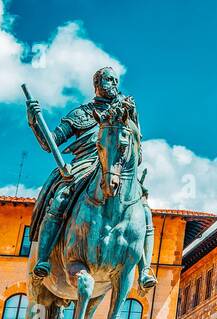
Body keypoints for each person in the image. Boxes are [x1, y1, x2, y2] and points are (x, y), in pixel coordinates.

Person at [27, 67, 155, 288]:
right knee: (60, 197)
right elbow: (51, 143)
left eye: (116, 80)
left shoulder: (127, 112)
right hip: (86, 165)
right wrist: (34, 123)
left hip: (117, 168)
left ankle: (144, 268)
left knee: (143, 209)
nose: (114, 84)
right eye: (108, 80)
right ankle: (44, 259)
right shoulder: (82, 114)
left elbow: (138, 150)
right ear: (97, 83)